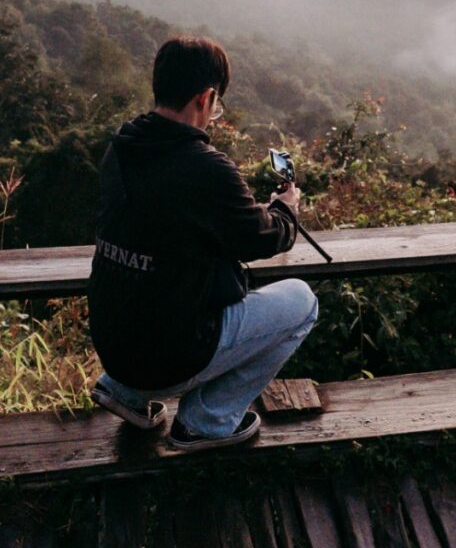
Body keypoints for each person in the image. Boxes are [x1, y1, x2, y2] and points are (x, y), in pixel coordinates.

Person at [87, 35, 318, 452]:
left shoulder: (121, 148)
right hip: (169, 353)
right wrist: (285, 210)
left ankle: (125, 393)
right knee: (303, 301)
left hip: (113, 345)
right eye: (218, 103)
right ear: (205, 97)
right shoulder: (204, 167)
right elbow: (261, 239)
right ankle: (205, 421)